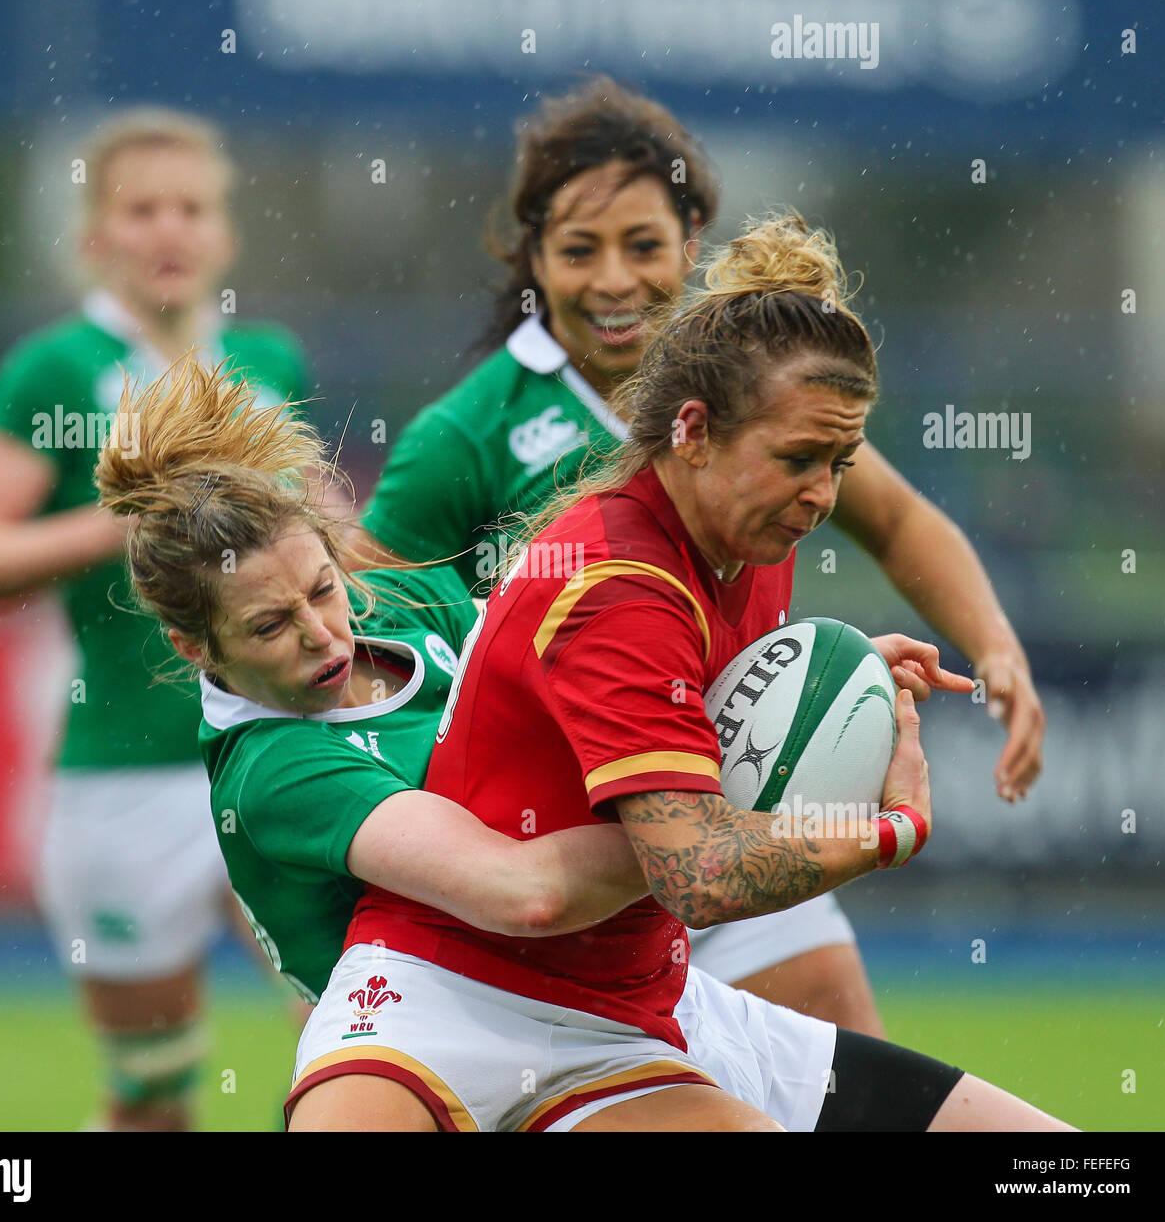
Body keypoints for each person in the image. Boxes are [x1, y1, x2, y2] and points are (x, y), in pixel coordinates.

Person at [284, 214, 1072, 1132]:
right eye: (799, 460)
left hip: (627, 1007)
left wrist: (838, 676)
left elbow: (703, 701)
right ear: (692, 429)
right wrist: (890, 830)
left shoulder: (745, 533)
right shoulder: (616, 579)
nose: (823, 494)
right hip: (443, 998)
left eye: (839, 463)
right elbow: (698, 871)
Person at [350, 77, 1046, 1035]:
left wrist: (994, 649)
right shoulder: (465, 437)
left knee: (853, 1070)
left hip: (724, 802)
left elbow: (898, 522)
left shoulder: (761, 400)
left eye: (644, 245)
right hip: (562, 848)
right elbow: (360, 640)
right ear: (533, 261)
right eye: (577, 249)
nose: (615, 279)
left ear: (692, 240)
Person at [0, 108, 313, 1131]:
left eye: (191, 207)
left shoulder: (268, 361)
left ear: (225, 234)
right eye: (139, 209)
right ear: (94, 237)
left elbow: (329, 547)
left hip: (279, 750)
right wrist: (124, 515)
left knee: (359, 1045)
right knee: (152, 1095)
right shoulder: (55, 371)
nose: (168, 230)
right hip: (122, 777)